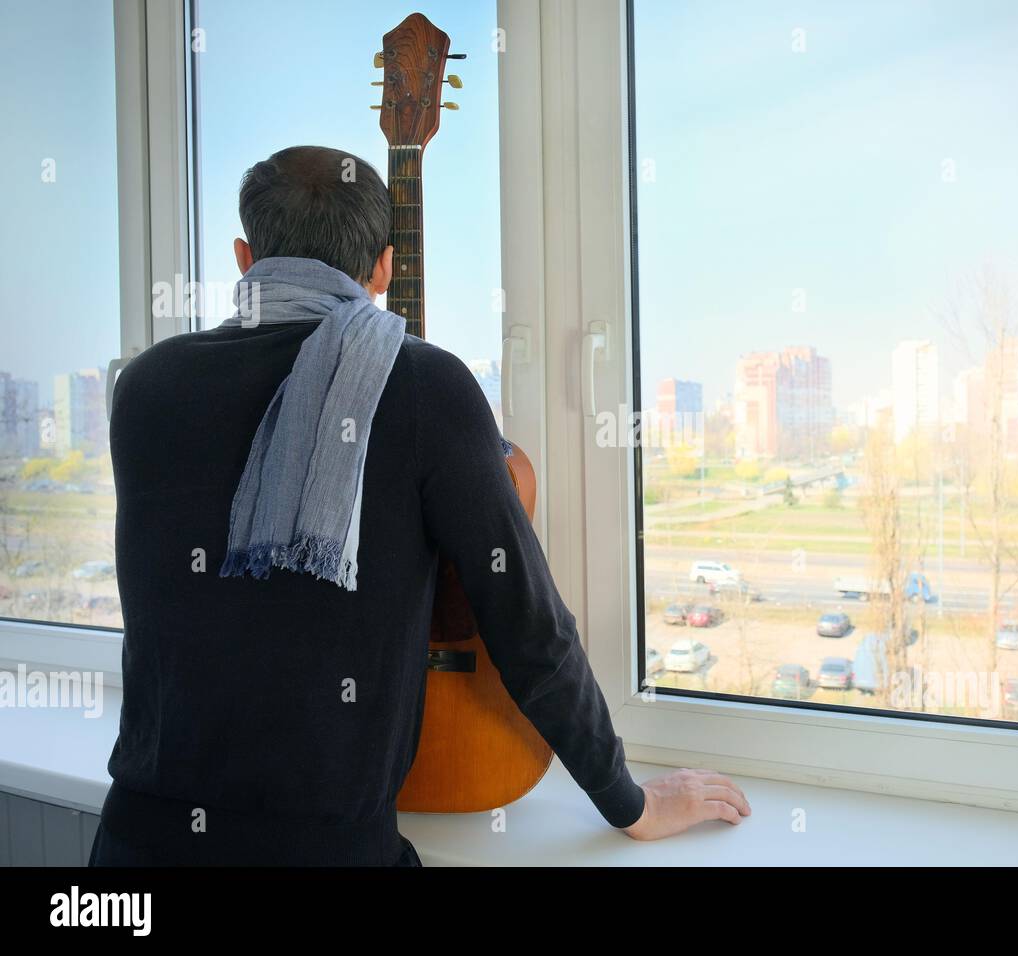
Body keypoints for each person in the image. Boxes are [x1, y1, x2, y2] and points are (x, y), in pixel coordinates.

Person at [88, 145, 749, 866]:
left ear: (246, 258)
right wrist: (632, 800)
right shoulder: (423, 386)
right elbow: (529, 629)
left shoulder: (144, 387)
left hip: (133, 847)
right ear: (383, 269)